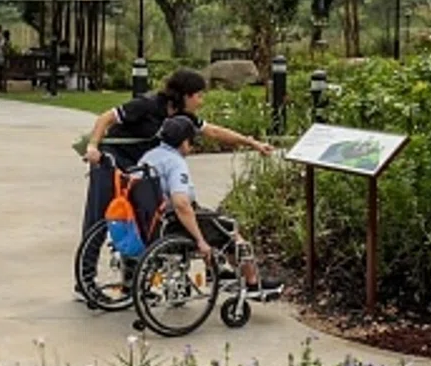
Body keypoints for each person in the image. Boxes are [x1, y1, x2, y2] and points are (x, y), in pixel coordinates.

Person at [74, 68, 274, 297]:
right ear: (186, 95)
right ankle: (85, 283)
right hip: (110, 161)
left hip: (138, 169)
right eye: (199, 95)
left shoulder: (182, 118)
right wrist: (92, 147)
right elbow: (105, 118)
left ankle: (132, 285)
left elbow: (215, 132)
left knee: (139, 223)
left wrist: (252, 143)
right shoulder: (148, 105)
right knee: (98, 219)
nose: (201, 101)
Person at [139, 115, 281, 296]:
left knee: (210, 219)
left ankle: (217, 271)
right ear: (184, 142)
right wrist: (200, 240)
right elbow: (181, 204)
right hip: (173, 224)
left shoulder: (149, 156)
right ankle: (253, 281)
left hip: (151, 221)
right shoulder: (175, 163)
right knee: (229, 229)